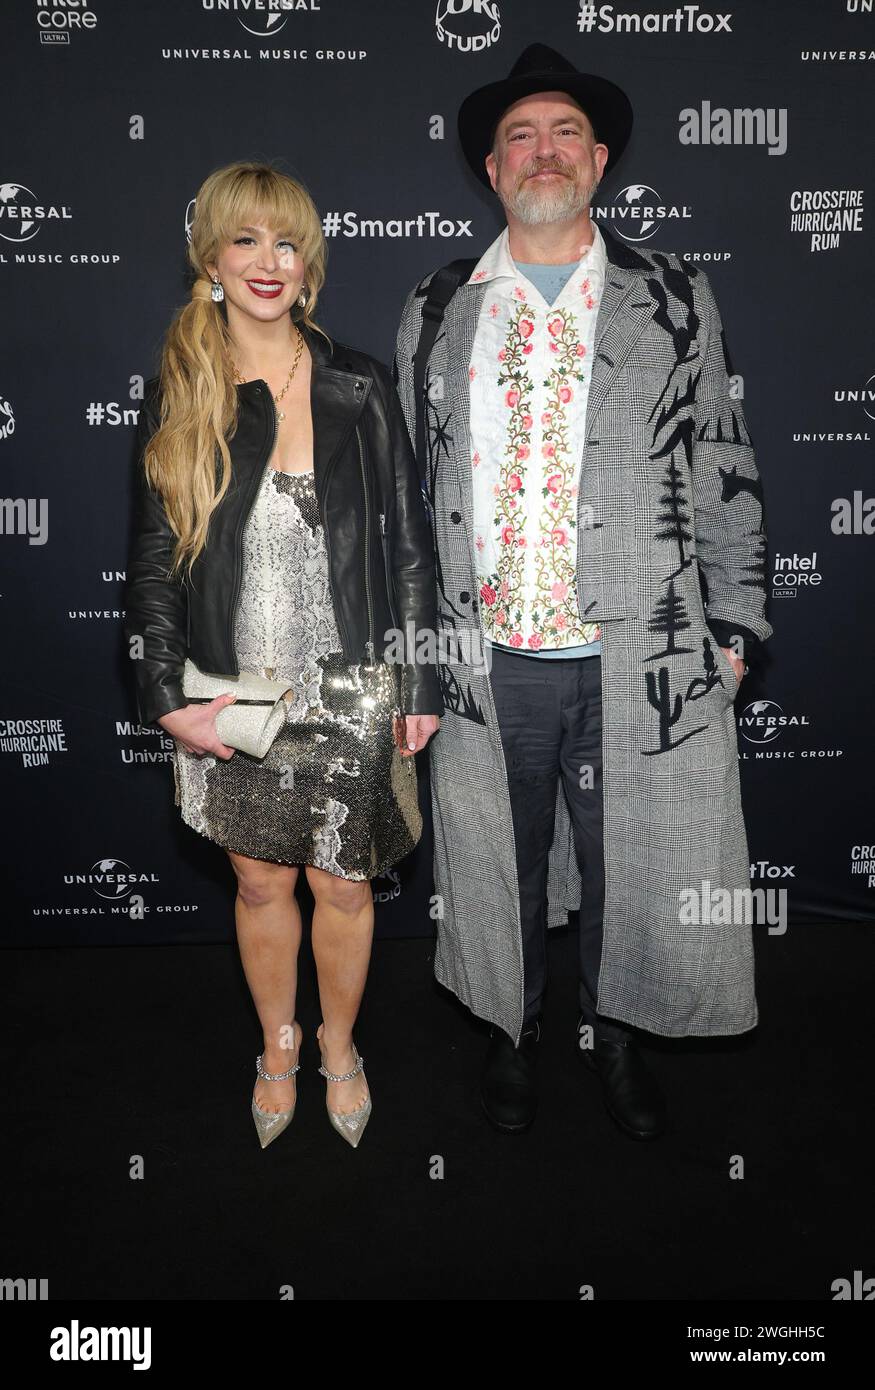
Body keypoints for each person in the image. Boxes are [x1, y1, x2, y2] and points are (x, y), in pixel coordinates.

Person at [393, 45, 772, 1138]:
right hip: (486, 655)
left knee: (633, 870)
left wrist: (736, 624)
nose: (542, 151)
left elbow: (722, 462)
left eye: (564, 133)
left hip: (638, 652)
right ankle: (512, 1036)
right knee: (494, 863)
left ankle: (617, 1041)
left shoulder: (672, 295)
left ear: (597, 162)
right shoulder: (436, 307)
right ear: (488, 165)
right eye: (520, 134)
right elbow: (413, 500)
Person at [123, 161, 441, 1150]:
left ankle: (339, 1047)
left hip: (353, 681)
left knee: (345, 884)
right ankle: (277, 1047)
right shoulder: (183, 384)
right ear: (211, 257)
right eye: (246, 240)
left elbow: (406, 544)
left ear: (309, 265)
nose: (269, 261)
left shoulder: (357, 384)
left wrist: (422, 672)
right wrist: (166, 688)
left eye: (288, 241)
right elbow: (150, 557)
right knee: (260, 884)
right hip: (232, 680)